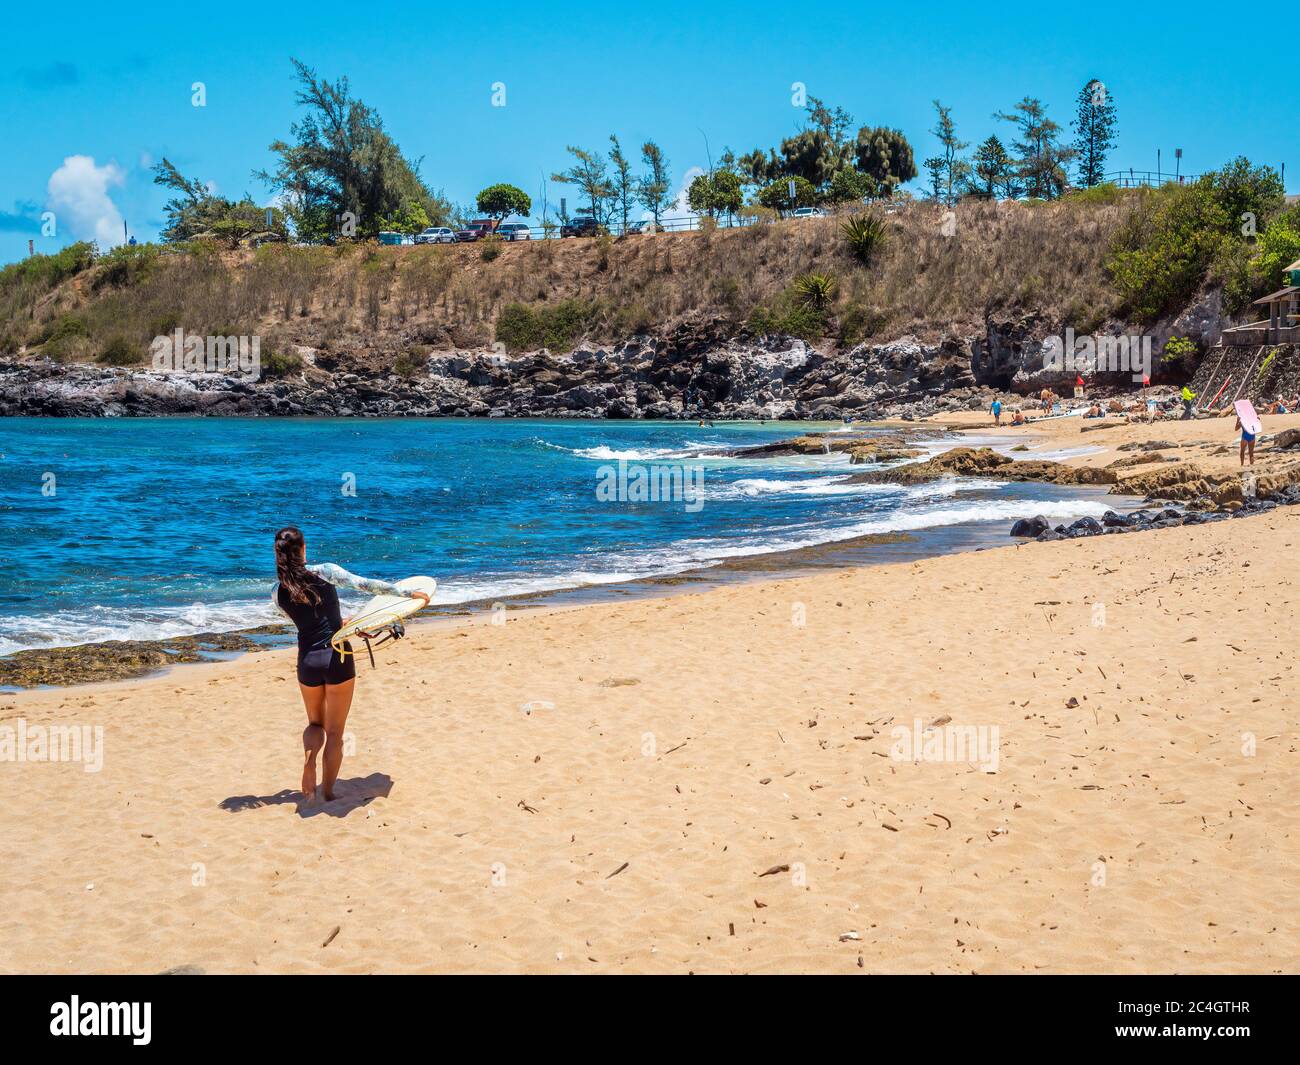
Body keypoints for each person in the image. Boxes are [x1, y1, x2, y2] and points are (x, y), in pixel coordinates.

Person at [272, 526, 429, 802]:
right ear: (304, 548)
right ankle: (328, 792)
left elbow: (307, 623)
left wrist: (344, 623)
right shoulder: (326, 571)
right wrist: (407, 594)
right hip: (337, 658)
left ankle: (309, 760)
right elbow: (366, 585)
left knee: (315, 724)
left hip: (307, 661)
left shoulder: (277, 592)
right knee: (335, 732)